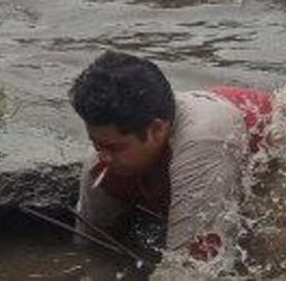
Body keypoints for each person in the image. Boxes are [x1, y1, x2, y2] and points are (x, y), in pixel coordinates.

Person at [70, 51, 272, 263]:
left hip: (284, 170)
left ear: (157, 130)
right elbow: (88, 251)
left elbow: (194, 269)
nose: (104, 158)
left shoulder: (203, 142)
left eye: (114, 148)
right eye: (96, 144)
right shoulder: (99, 167)